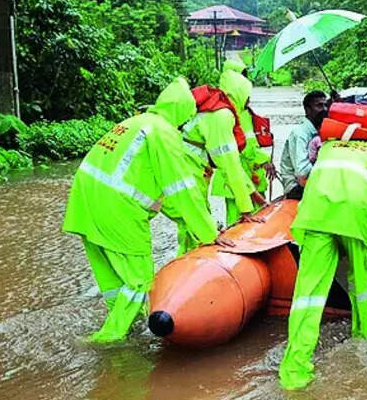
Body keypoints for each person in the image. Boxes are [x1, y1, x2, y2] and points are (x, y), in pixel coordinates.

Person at [63, 78, 218, 343]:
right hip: (117, 211)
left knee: (113, 281)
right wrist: (208, 235)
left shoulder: (134, 123)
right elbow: (182, 190)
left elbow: (164, 196)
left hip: (84, 205)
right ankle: (108, 340)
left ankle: (126, 329)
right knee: (140, 278)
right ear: (181, 112)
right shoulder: (164, 133)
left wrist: (184, 221)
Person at [278, 128, 367, 390]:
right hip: (357, 217)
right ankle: (364, 342)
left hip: (315, 215)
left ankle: (294, 371)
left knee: (307, 295)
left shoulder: (329, 147)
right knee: (363, 285)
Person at [179, 81, 265, 254]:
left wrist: (255, 196)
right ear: (240, 95)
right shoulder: (222, 116)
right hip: (190, 167)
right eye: (247, 98)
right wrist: (246, 209)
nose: (248, 102)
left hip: (191, 164)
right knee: (195, 219)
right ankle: (192, 262)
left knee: (190, 222)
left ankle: (188, 258)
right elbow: (230, 166)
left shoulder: (216, 110)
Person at [215, 58, 276, 206]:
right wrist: (264, 160)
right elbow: (246, 147)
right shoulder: (236, 114)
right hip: (244, 176)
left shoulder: (227, 110)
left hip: (240, 177)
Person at [278, 90, 329, 200]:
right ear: (307, 109)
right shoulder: (300, 133)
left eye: (326, 105)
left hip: (312, 181)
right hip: (296, 187)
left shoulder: (321, 131)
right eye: (319, 106)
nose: (324, 109)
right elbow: (302, 172)